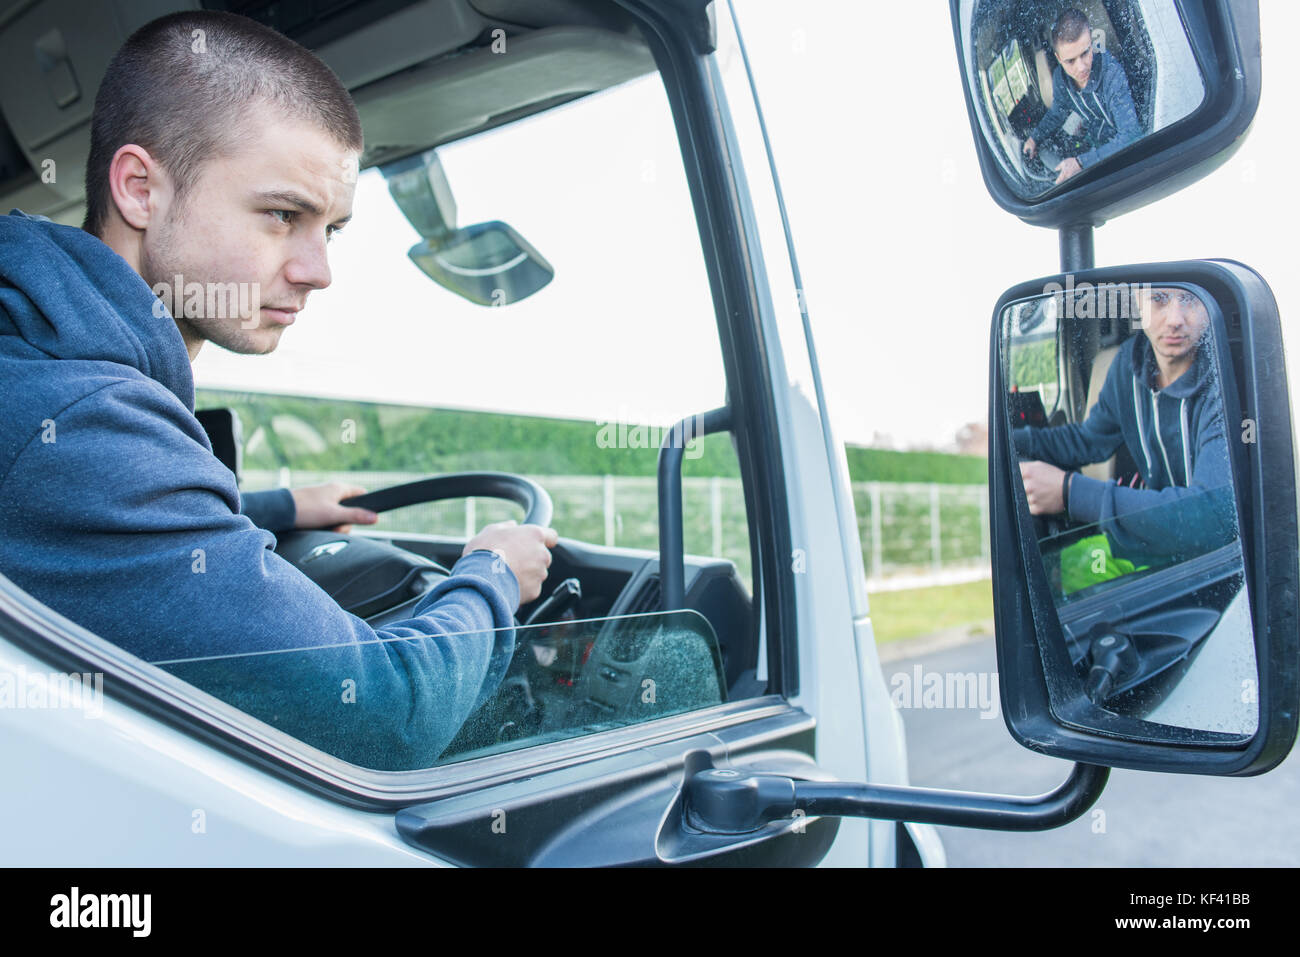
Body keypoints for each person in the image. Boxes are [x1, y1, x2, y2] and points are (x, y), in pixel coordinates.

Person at [0, 11, 557, 770]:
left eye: (330, 229)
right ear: (139, 190)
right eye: (282, 215)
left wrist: (279, 508)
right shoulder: (80, 420)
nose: (317, 269)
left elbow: (118, 530)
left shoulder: (47, 367)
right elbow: (387, 716)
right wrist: (492, 574)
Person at [1014, 288, 1237, 568]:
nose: (1175, 320)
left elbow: (1212, 517)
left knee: (1069, 581)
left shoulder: (1221, 380)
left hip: (1213, 562)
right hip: (1154, 542)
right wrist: (1008, 442)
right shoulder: (1128, 363)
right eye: (1159, 299)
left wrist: (1070, 493)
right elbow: (1090, 440)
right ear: (1137, 302)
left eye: (1190, 299)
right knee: (1062, 569)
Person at [1022, 7, 1142, 185]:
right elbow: (1057, 113)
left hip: (1125, 159)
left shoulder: (1111, 73)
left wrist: (1080, 162)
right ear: (1058, 58)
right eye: (1070, 61)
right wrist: (1034, 138)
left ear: (1091, 43)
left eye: (1085, 53)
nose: (1081, 67)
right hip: (1095, 148)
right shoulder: (1060, 79)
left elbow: (1131, 135)